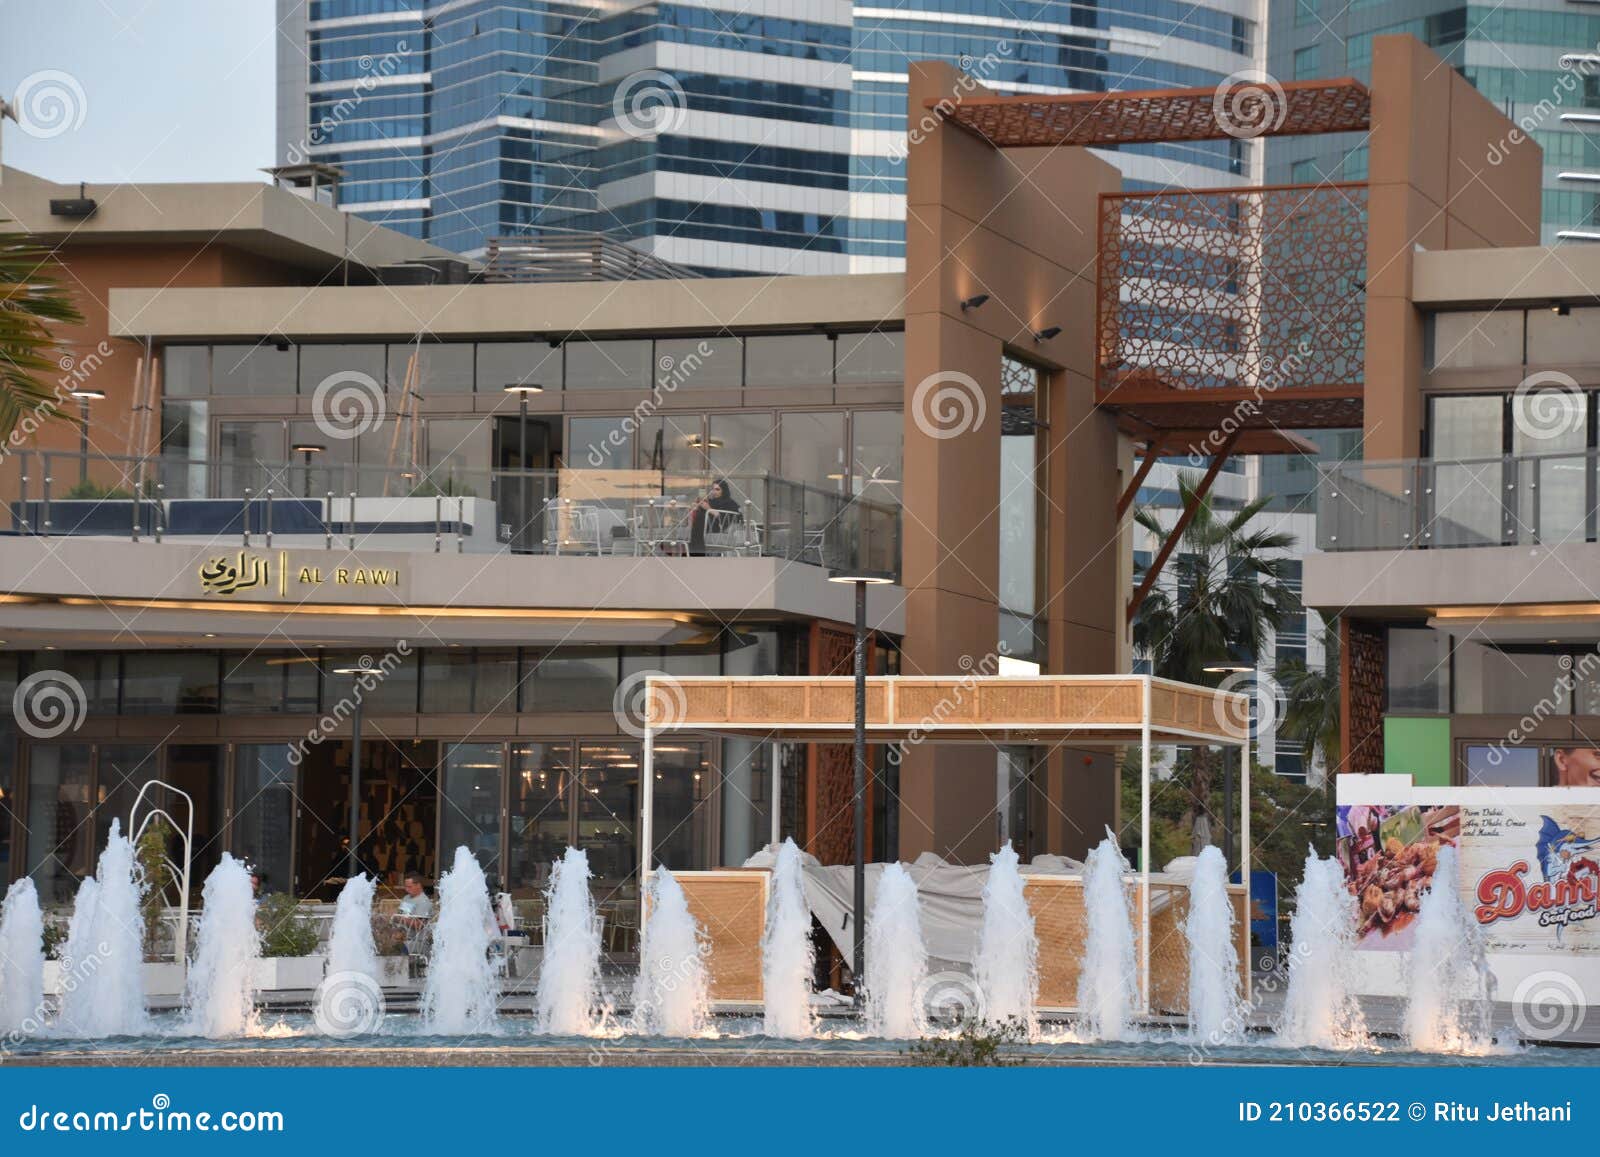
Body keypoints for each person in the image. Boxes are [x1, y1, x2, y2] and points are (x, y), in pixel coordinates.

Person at [688, 478, 740, 556]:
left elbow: (726, 519)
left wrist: (708, 509)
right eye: (713, 489)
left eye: (717, 489)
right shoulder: (711, 501)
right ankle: (696, 552)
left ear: (724, 490)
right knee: (699, 517)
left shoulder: (730, 503)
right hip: (705, 526)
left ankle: (697, 553)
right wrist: (696, 507)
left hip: (719, 528)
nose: (714, 492)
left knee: (700, 520)